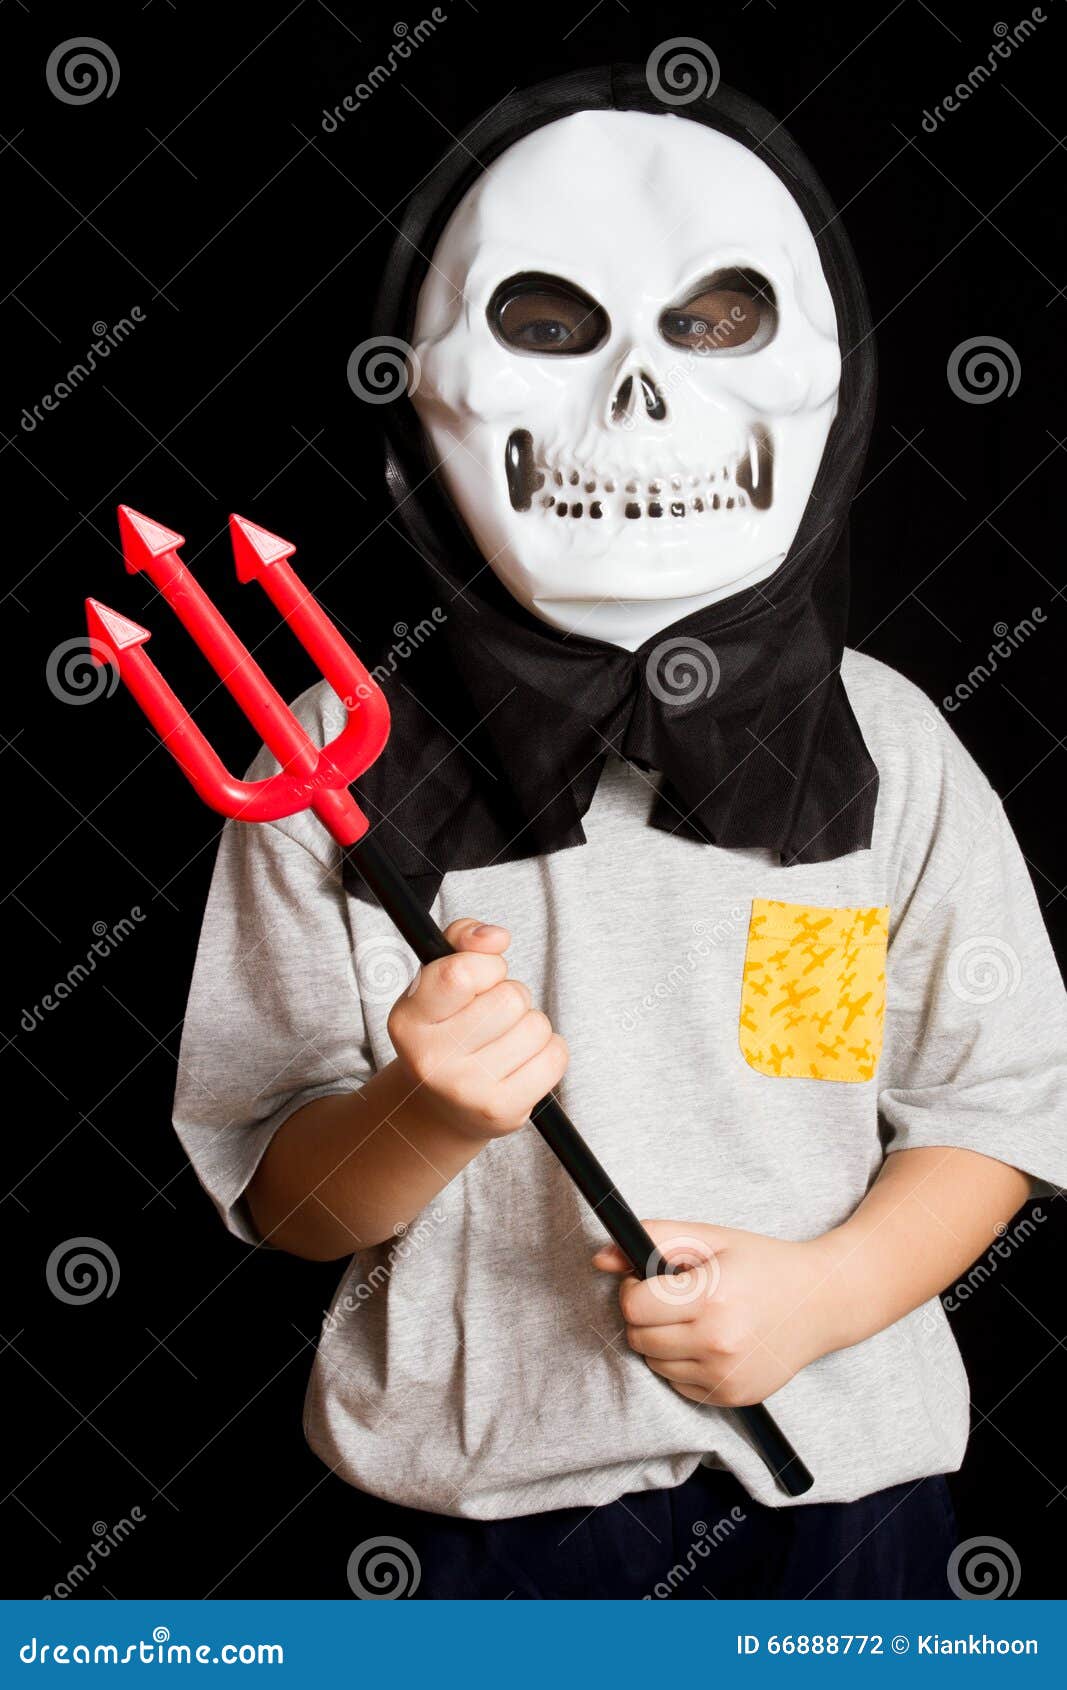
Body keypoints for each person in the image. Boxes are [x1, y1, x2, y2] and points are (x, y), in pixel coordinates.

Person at [173, 68, 1065, 1599]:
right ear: (427, 380)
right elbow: (286, 1198)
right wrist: (423, 1111)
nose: (640, 396)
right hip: (478, 1522)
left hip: (849, 1496)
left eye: (716, 324)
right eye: (547, 325)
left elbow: (995, 1106)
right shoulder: (330, 763)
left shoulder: (892, 744)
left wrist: (827, 1291)